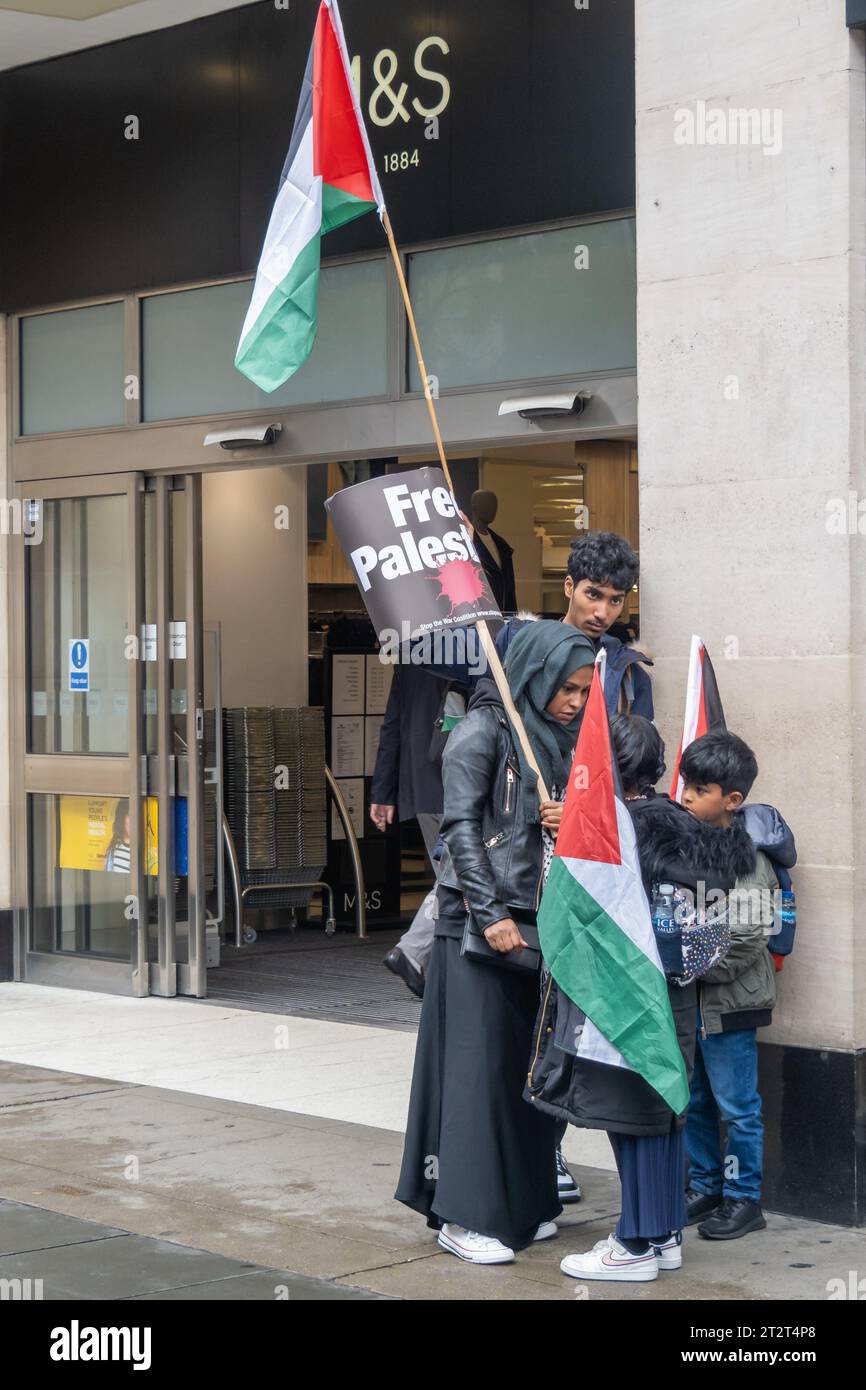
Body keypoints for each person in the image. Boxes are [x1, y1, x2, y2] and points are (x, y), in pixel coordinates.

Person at [394, 621, 596, 1263]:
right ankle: (463, 1214)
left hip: (539, 927)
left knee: (525, 1072)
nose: (575, 701)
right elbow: (458, 830)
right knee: (477, 1074)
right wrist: (487, 914)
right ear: (533, 674)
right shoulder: (479, 733)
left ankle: (524, 1202)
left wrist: (567, 814)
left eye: (584, 690)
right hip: (479, 931)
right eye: (566, 687)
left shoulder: (558, 741)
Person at [529, 714, 756, 1281]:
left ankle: (633, 1246)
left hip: (624, 995)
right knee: (659, 1117)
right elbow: (701, 938)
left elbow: (563, 910)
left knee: (631, 1119)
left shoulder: (619, 834)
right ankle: (662, 1237)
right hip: (675, 996)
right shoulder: (685, 829)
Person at [679, 730, 785, 1240]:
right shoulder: (687, 844)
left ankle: (744, 1199)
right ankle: (704, 1186)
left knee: (738, 1108)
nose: (686, 797)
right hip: (692, 1001)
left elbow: (747, 936)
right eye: (686, 787)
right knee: (695, 1100)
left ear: (731, 800)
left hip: (730, 1005)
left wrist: (688, 962)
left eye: (699, 791)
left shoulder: (751, 857)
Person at [372, 663, 463, 999]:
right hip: (462, 783)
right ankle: (413, 952)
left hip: (424, 786)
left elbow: (392, 725)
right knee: (458, 876)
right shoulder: (478, 648)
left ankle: (425, 959)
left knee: (452, 874)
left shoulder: (415, 655)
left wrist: (383, 792)